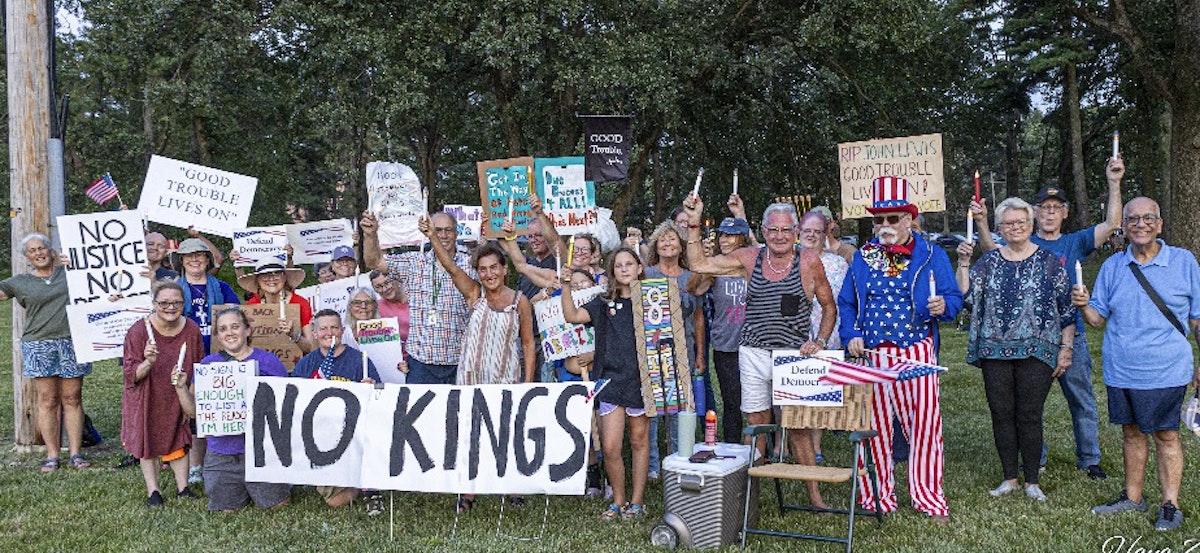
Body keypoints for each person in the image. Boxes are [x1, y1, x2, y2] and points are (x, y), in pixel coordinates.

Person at [975, 156, 1125, 479]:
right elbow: (992, 255)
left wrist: (1114, 183)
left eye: (1057, 207)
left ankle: (1089, 458)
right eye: (1044, 207)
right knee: (1030, 404)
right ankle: (1035, 459)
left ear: (1065, 212)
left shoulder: (1075, 242)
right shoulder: (1023, 239)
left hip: (1073, 334)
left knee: (1081, 399)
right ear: (1035, 213)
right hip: (1032, 339)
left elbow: (1112, 224)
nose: (1050, 212)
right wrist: (983, 223)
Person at [682, 195, 836, 509]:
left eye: (786, 229)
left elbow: (829, 307)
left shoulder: (809, 261)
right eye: (773, 230)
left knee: (798, 426)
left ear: (795, 231)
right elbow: (699, 265)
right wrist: (694, 223)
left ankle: (815, 497)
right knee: (756, 423)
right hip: (753, 351)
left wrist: (820, 341)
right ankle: (747, 497)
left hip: (794, 355)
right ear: (763, 231)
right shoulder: (750, 257)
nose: (779, 235)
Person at [837, 176, 961, 523]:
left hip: (915, 349)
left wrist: (944, 306)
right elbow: (846, 302)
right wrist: (851, 334)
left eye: (893, 218)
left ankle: (928, 498)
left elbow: (954, 298)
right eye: (879, 219)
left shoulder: (932, 255)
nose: (885, 225)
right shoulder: (863, 257)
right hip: (872, 354)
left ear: (909, 218)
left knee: (924, 427)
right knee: (872, 427)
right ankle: (877, 496)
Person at [1072, 197, 1200, 531]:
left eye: (1148, 218)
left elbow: (1198, 319)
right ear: (1124, 227)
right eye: (1132, 219)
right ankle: (1133, 496)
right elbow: (1097, 319)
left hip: (1167, 368)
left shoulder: (1184, 262)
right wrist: (1083, 304)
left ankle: (1170, 506)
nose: (1140, 224)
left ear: (1160, 224)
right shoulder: (1113, 266)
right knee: (1130, 433)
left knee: (1166, 435)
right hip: (1122, 368)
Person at [954, 198, 1075, 502]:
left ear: (1031, 224)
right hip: (994, 351)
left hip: (1038, 351)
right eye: (1008, 223)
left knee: (1030, 414)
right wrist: (964, 263)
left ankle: (1032, 480)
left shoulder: (1050, 262)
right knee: (1001, 413)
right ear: (999, 228)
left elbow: (1067, 310)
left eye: (1021, 222)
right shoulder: (988, 262)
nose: (1015, 227)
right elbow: (965, 296)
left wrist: (1066, 348)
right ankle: (1010, 477)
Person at [561, 247, 652, 521]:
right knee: (610, 447)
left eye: (629, 264)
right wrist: (565, 285)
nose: (624, 269)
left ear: (639, 267)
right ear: (612, 271)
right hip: (610, 380)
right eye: (618, 265)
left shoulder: (652, 300)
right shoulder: (603, 302)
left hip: (641, 381)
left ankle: (637, 502)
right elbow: (572, 316)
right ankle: (618, 500)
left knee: (639, 441)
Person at [172, 307, 292, 512]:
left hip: (261, 450)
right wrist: (181, 388)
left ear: (247, 330)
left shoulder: (269, 362)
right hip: (222, 453)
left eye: (235, 326)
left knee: (276, 505)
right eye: (223, 329)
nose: (230, 333)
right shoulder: (208, 365)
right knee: (225, 510)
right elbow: (193, 413)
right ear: (218, 336)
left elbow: (287, 406)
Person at [0, 233, 94, 472]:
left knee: (72, 398)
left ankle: (75, 454)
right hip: (38, 344)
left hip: (72, 341)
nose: (38, 253)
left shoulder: (70, 272)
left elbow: (100, 275)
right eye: (32, 251)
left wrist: (78, 263)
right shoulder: (19, 282)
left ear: (51, 251)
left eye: (42, 248)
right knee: (47, 400)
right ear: (27, 257)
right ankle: (52, 455)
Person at [362, 210, 476, 384]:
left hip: (459, 363)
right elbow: (374, 262)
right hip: (420, 363)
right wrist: (370, 235)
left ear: (456, 233)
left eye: (448, 230)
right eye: (437, 230)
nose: (443, 235)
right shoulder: (414, 262)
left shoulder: (472, 264)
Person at [122, 280, 205, 506]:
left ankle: (183, 488)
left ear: (184, 304)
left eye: (177, 303)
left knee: (179, 436)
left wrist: (189, 399)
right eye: (164, 303)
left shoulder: (191, 330)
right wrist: (148, 362)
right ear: (154, 303)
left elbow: (198, 368)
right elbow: (131, 375)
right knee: (147, 437)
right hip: (147, 393)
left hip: (177, 391)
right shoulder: (138, 331)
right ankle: (154, 491)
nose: (170, 307)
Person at [292, 309, 381, 511]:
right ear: (314, 333)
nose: (329, 333)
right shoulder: (306, 364)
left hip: (354, 432)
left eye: (334, 327)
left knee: (338, 498)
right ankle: (347, 481)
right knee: (336, 500)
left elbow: (379, 399)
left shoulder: (360, 360)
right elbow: (293, 401)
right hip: (318, 436)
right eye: (323, 328)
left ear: (342, 331)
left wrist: (370, 389)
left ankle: (366, 485)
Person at [643, 220, 707, 480]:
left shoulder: (691, 276)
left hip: (684, 350)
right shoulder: (645, 274)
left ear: (681, 246)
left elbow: (699, 317)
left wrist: (700, 354)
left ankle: (679, 460)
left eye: (672, 239)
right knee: (653, 410)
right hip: (651, 351)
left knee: (681, 407)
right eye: (662, 239)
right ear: (655, 246)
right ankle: (652, 466)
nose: (667, 243)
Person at [173, 237, 240, 485]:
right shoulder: (174, 290)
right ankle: (193, 464)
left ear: (207, 259)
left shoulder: (221, 288)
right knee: (188, 408)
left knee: (214, 407)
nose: (194, 259)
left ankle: (217, 459)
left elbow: (239, 316)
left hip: (218, 356)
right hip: (185, 354)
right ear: (181, 261)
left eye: (199, 255)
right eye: (189, 256)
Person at [688, 217, 750, 443]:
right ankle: (733, 446)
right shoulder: (716, 266)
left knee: (759, 401)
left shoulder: (753, 263)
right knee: (731, 401)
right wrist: (703, 265)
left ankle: (765, 449)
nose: (724, 239)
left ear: (742, 238)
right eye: (722, 235)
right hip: (725, 342)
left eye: (730, 235)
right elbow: (694, 289)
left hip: (754, 343)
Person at [798, 210, 849, 463]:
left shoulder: (838, 264)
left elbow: (846, 301)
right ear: (798, 232)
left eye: (817, 231)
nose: (811, 235)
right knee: (791, 389)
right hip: (793, 333)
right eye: (806, 230)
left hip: (827, 333)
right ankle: (786, 443)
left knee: (819, 390)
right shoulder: (786, 259)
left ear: (825, 233)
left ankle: (816, 446)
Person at [238, 261, 315, 354]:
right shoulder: (251, 306)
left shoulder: (300, 303)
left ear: (284, 277)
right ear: (258, 280)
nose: (271, 278)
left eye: (276, 273)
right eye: (265, 275)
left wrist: (294, 335)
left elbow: (311, 348)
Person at [370, 269, 410, 367]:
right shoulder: (376, 308)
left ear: (397, 280)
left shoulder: (416, 299)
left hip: (422, 359)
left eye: (387, 283)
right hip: (394, 363)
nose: (384, 289)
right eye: (378, 287)